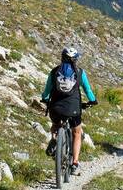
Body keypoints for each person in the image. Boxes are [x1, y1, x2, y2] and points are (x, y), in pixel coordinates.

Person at [41, 46, 97, 174]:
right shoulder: (80, 73)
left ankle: (54, 138)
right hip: (73, 108)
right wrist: (93, 101)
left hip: (56, 107)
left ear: (62, 57)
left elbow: (46, 92)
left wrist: (44, 99)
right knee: (77, 132)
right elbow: (88, 90)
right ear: (76, 60)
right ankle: (75, 163)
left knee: (55, 124)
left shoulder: (54, 71)